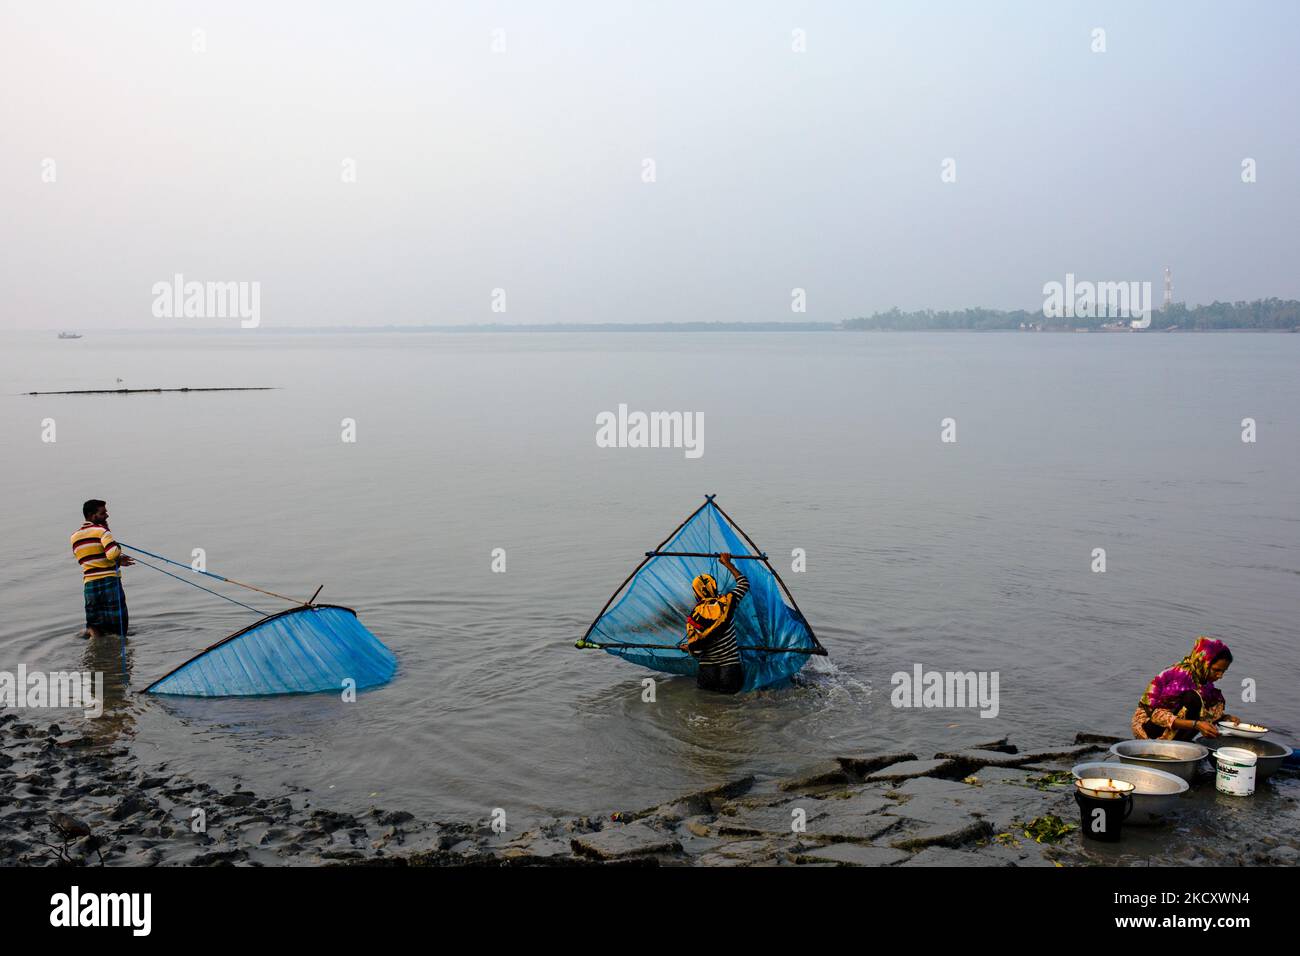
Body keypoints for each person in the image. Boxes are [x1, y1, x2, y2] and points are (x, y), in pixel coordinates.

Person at [1132, 636, 1237, 740]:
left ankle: (1180, 742)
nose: (1220, 676)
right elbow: (1157, 716)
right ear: (1204, 663)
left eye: (1223, 671)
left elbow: (1206, 711)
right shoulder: (1180, 676)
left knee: (1202, 701)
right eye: (1216, 670)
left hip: (1166, 724)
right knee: (1193, 698)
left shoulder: (1203, 680)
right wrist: (1196, 725)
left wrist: (1224, 718)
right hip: (1147, 728)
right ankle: (1169, 743)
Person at [681, 552, 748, 694]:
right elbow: (744, 583)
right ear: (715, 587)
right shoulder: (728, 602)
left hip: (707, 672)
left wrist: (688, 648)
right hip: (730, 669)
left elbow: (697, 650)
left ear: (696, 593)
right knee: (732, 708)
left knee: (708, 708)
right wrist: (727, 563)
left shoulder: (694, 616)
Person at [71, 499, 134, 638]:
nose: (107, 515)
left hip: (90, 585)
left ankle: (96, 648)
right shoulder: (102, 531)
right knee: (119, 627)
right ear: (93, 516)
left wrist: (116, 561)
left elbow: (86, 560)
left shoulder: (74, 537)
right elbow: (112, 554)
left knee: (94, 625)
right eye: (103, 513)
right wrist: (117, 551)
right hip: (109, 582)